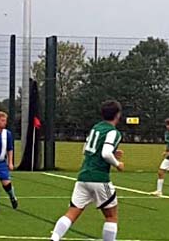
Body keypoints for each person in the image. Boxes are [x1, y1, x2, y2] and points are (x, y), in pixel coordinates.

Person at [50, 100, 126, 241]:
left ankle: (54, 237)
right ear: (118, 115)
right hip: (100, 179)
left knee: (72, 213)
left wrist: (111, 154)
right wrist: (117, 163)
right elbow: (105, 154)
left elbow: (86, 149)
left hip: (83, 177)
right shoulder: (113, 132)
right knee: (111, 216)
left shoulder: (96, 128)